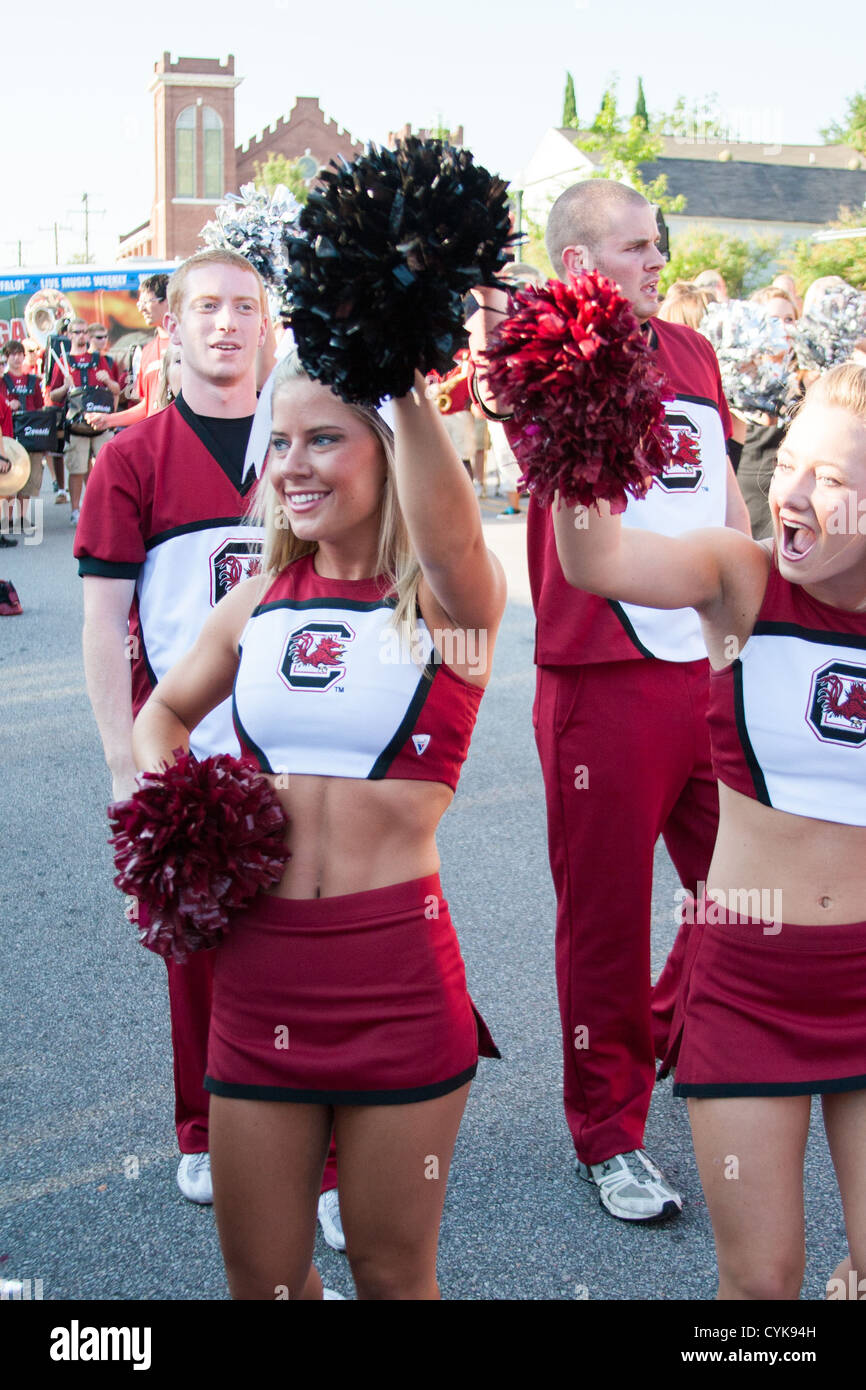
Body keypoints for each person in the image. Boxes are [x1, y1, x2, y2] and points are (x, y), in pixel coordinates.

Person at [130, 347, 505, 1300]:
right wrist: (188, 819)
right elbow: (160, 717)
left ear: (387, 453)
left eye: (326, 439)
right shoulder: (255, 601)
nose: (293, 464)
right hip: (257, 983)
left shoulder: (444, 606)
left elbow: (453, 538)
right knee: (261, 1281)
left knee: (390, 1273)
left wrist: (407, 377)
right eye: (280, 442)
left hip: (398, 981)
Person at [552, 361, 866, 1300]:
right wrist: (579, 415)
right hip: (749, 981)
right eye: (792, 463)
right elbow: (595, 561)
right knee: (761, 1284)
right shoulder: (740, 578)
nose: (794, 495)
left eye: (837, 478)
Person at [471, 178, 750, 1224]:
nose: (656, 259)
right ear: (580, 262)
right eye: (634, 246)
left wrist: (748, 623)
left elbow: (721, 496)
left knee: (748, 886)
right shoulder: (541, 354)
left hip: (703, 668)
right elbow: (524, 448)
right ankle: (608, 1133)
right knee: (602, 923)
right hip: (600, 678)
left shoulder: (693, 353)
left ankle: (663, 1025)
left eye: (657, 241)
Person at [75, 248, 269, 1205]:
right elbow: (103, 625)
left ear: (269, 324)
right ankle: (203, 1127)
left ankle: (319, 1152)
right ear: (174, 326)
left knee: (309, 944)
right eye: (206, 307)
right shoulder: (131, 457)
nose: (225, 323)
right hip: (187, 744)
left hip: (301, 743)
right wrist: (128, 768)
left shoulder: (311, 440)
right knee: (195, 951)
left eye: (244, 306)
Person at [48, 318, 120, 524]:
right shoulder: (62, 363)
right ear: (69, 335)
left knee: (107, 470)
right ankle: (75, 511)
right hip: (76, 425)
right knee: (77, 469)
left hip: (100, 423)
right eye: (76, 332)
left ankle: (108, 509)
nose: (81, 335)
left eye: (83, 332)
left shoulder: (99, 359)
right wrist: (65, 386)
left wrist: (107, 380)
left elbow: (116, 390)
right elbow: (54, 396)